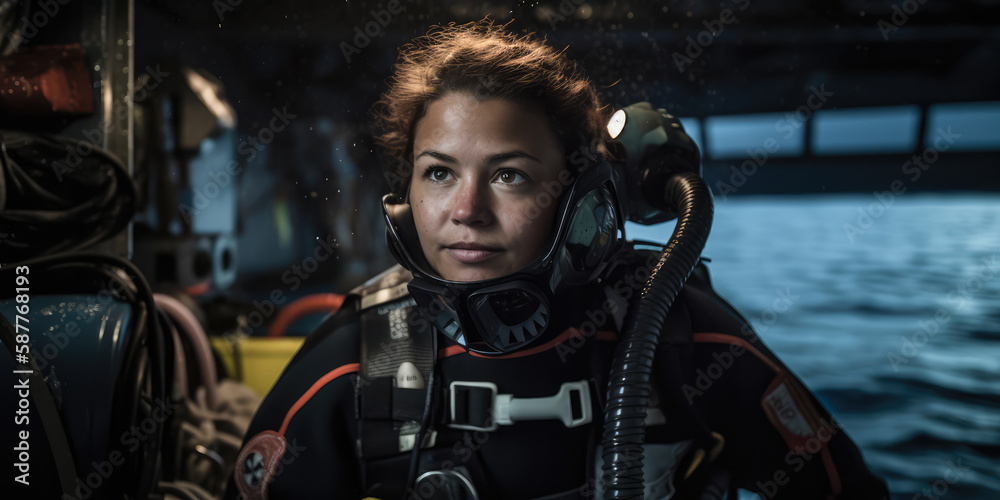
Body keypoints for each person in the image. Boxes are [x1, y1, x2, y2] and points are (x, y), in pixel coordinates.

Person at [225, 20, 889, 500]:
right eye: (438, 174)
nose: (467, 210)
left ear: (579, 201)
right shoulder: (358, 357)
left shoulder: (684, 339)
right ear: (404, 199)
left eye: (509, 176)